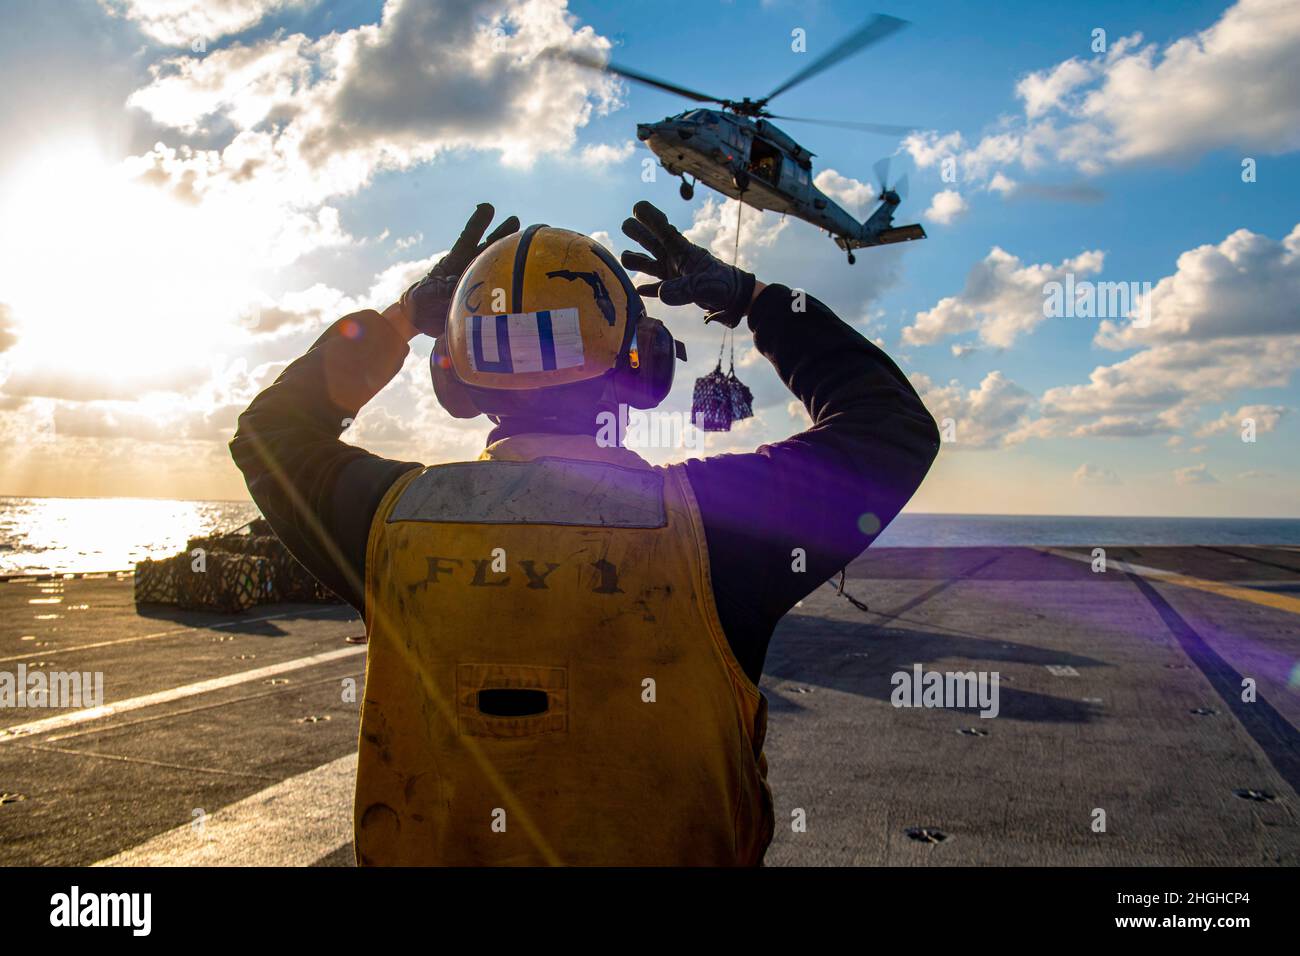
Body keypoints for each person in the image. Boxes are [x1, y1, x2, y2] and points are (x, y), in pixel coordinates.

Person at [230, 200, 939, 866]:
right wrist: (752, 299)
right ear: (645, 365)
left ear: (457, 379)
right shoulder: (716, 528)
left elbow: (269, 434)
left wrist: (404, 318)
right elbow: (890, 427)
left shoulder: (385, 521)